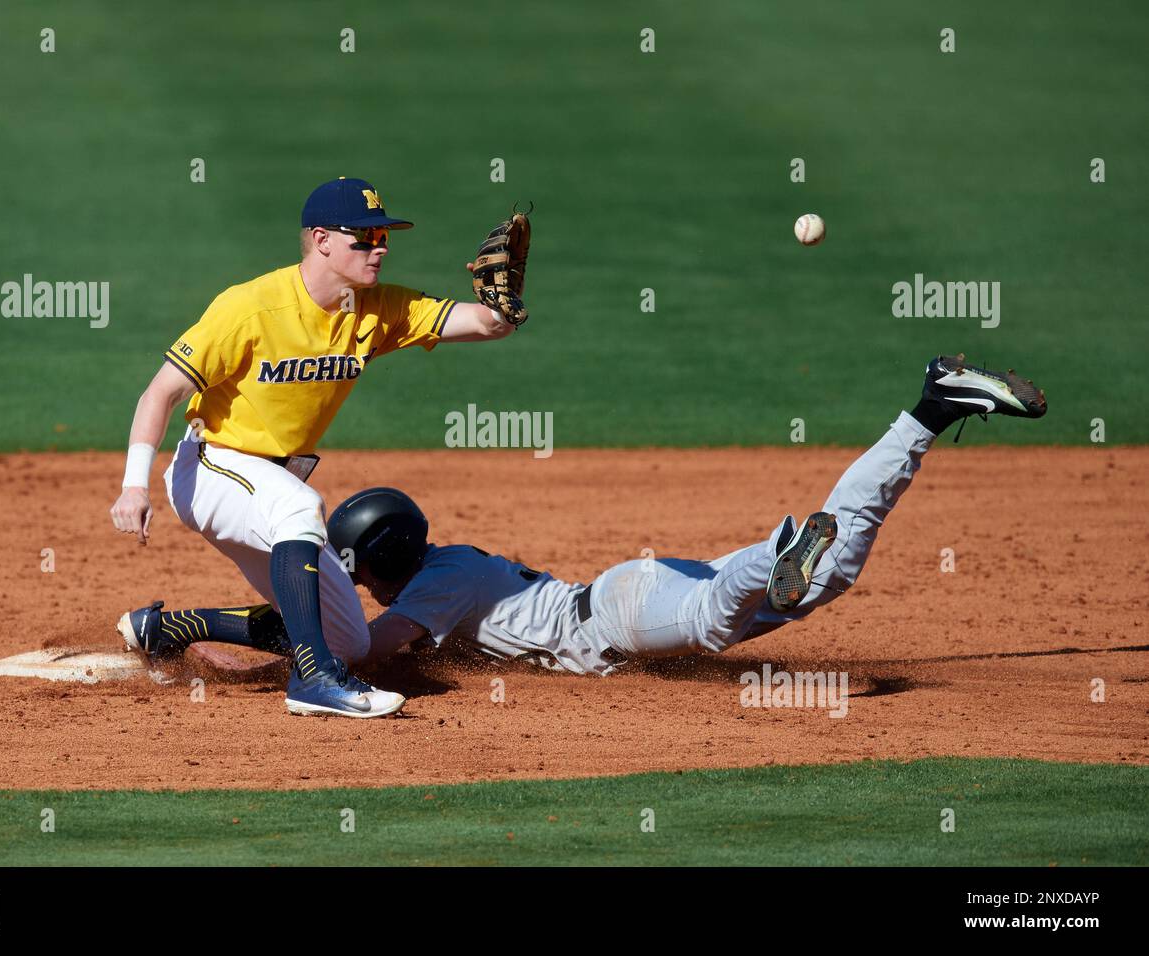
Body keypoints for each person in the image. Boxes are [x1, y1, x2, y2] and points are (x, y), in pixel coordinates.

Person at [321, 355, 1047, 674]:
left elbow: (357, 652)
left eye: (360, 577)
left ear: (383, 560)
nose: (364, 593)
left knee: (709, 622)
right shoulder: (445, 568)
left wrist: (252, 640)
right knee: (832, 575)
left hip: (617, 617)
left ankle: (778, 552)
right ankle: (929, 410)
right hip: (630, 593)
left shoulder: (430, 591)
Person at [108, 177, 524, 717]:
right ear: (322, 239)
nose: (380, 248)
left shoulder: (379, 310)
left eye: (384, 237)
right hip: (211, 467)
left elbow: (486, 325)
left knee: (349, 642)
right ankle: (312, 681)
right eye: (365, 238)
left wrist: (505, 305)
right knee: (301, 509)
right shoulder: (251, 308)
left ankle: (176, 628)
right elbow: (161, 391)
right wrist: (133, 486)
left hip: (268, 481)